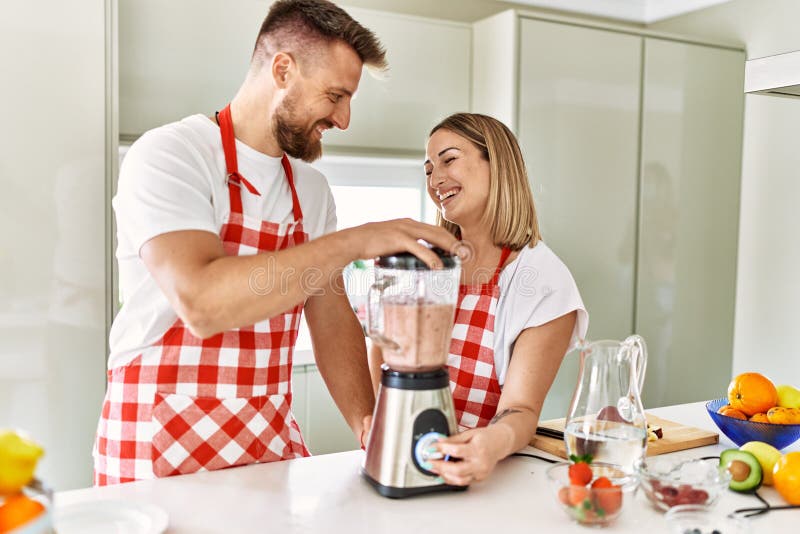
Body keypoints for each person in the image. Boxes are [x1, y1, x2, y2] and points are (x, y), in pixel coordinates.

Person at [94, 0, 460, 486]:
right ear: (282, 69)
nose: (344, 119)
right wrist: (356, 241)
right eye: (335, 96)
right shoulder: (172, 155)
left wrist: (367, 424)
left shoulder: (311, 191)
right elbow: (202, 303)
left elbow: (330, 318)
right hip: (158, 445)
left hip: (262, 441)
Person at [369, 113, 588, 486]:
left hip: (483, 476)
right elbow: (380, 348)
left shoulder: (542, 279)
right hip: (405, 459)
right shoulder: (425, 263)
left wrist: (489, 444)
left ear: (497, 164)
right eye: (428, 170)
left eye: (449, 160)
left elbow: (521, 409)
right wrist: (386, 426)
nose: (435, 180)